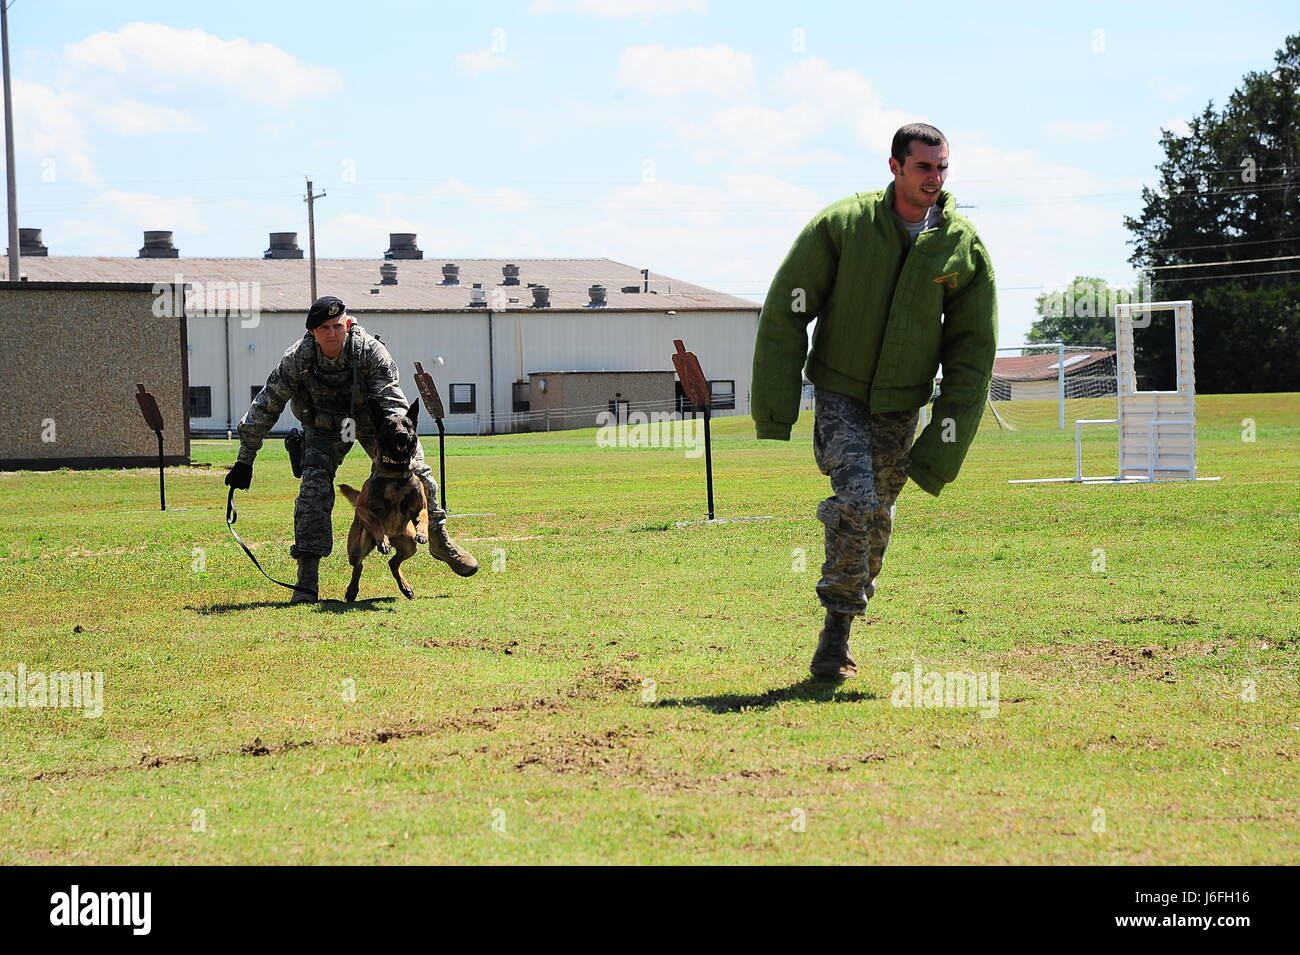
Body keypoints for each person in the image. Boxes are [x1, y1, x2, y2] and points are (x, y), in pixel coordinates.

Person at [751, 123, 997, 680]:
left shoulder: (961, 246)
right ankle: (835, 634)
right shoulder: (843, 226)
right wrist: (776, 407)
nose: (934, 179)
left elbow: (972, 349)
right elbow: (786, 308)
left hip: (901, 405)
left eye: (942, 168)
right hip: (840, 392)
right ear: (895, 167)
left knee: (879, 517)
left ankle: (839, 627)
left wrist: (946, 435)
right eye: (923, 167)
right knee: (858, 501)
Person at [224, 295, 478, 602]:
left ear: (347, 324)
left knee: (421, 475)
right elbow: (265, 406)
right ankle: (307, 578)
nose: (332, 333)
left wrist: (411, 453)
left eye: (337, 326)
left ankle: (439, 540)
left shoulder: (371, 352)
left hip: (373, 426)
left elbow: (393, 401)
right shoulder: (298, 358)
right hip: (323, 429)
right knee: (313, 491)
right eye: (324, 328)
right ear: (312, 332)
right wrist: (244, 460)